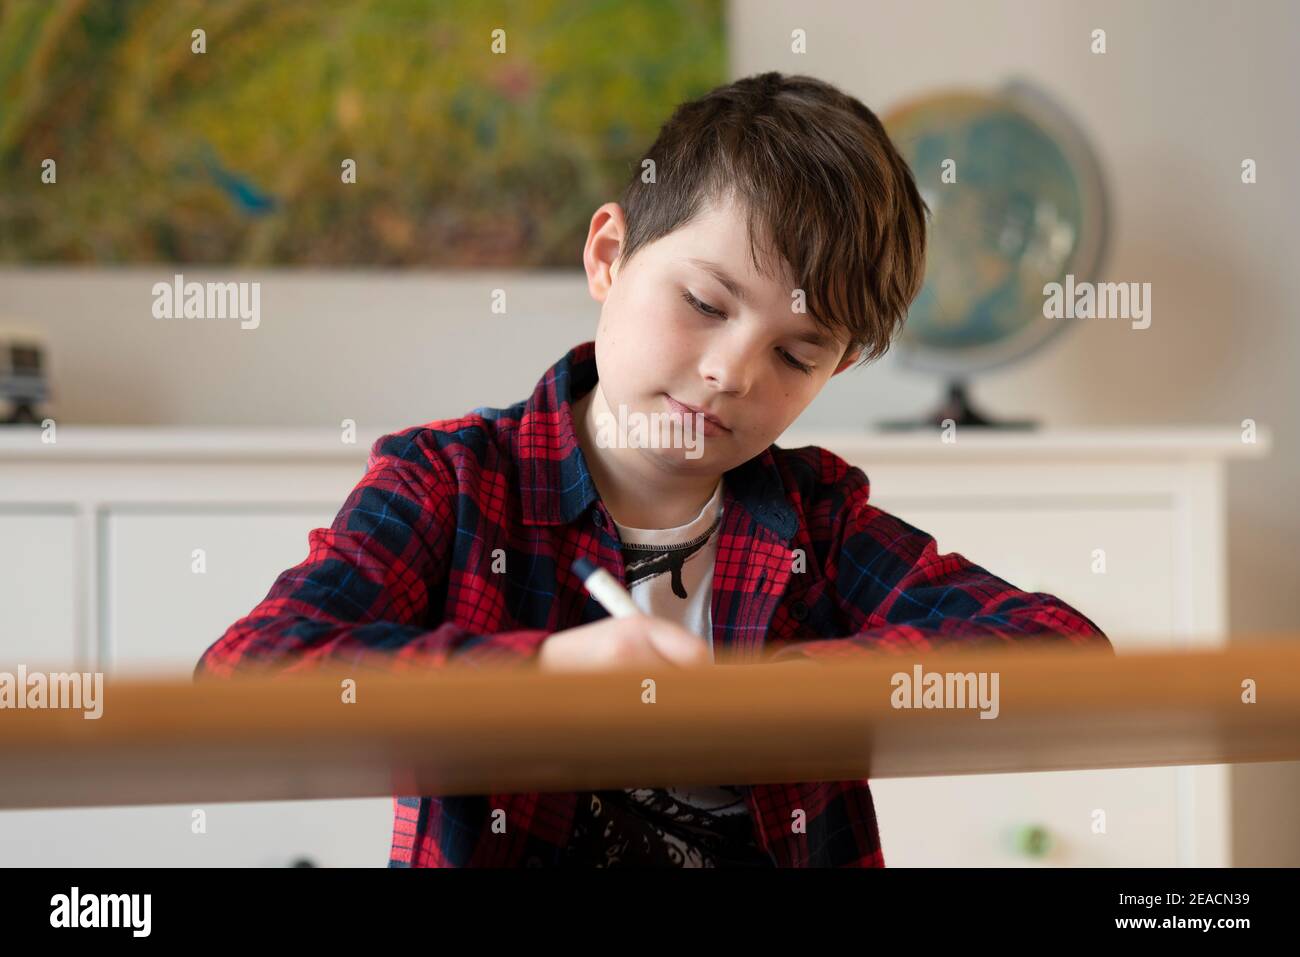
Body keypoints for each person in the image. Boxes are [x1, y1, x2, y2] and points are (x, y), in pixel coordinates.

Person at [195, 72, 1110, 867]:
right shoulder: (449, 482)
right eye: (705, 302)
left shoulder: (818, 519)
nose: (732, 372)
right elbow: (248, 680)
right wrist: (548, 676)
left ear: (838, 371)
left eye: (797, 356)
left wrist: (804, 686)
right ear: (608, 255)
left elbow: (1065, 657)